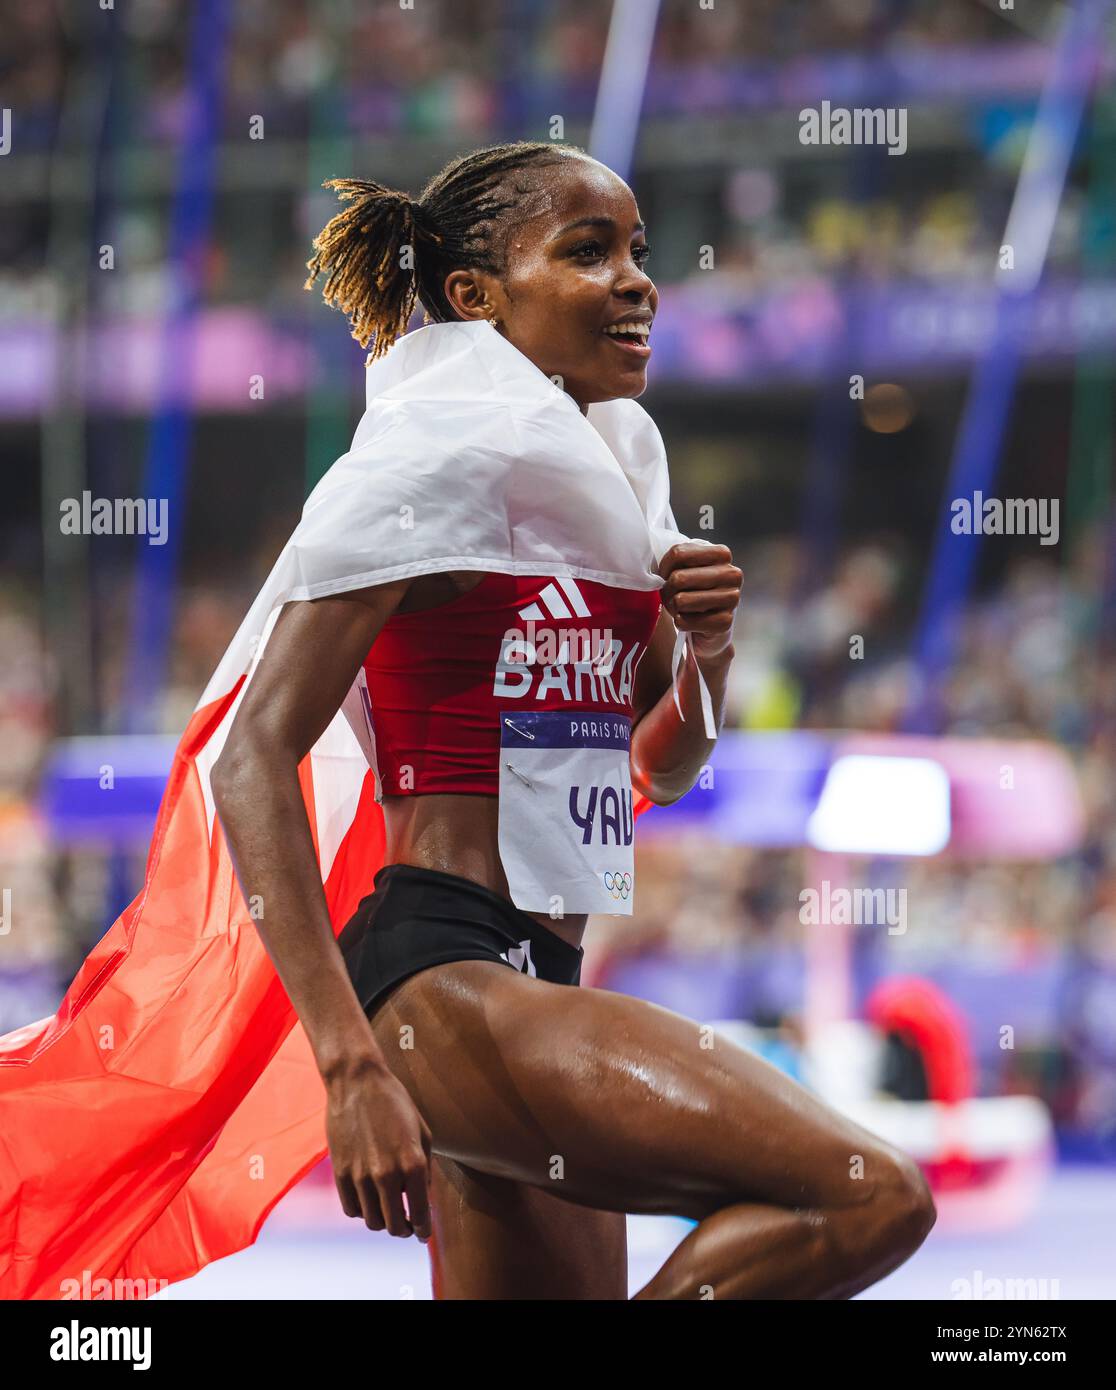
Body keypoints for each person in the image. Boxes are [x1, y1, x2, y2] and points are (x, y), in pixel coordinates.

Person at [211, 140, 936, 1299]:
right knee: (868, 1191)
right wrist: (346, 1062)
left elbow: (663, 766)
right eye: (588, 251)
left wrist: (707, 651)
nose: (639, 279)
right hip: (440, 973)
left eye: (638, 251)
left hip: (543, 975)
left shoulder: (612, 473)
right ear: (474, 297)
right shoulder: (421, 455)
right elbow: (249, 760)